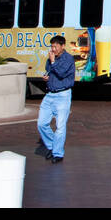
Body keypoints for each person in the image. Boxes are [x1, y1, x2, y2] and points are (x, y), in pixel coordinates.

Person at [37, 35, 74, 163]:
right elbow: (50, 71)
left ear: (62, 46)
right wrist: (46, 77)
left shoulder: (68, 58)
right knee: (41, 123)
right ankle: (53, 147)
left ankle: (57, 153)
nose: (53, 49)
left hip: (62, 95)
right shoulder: (51, 58)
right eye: (52, 46)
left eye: (55, 46)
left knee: (60, 126)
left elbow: (62, 73)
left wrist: (53, 62)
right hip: (50, 94)